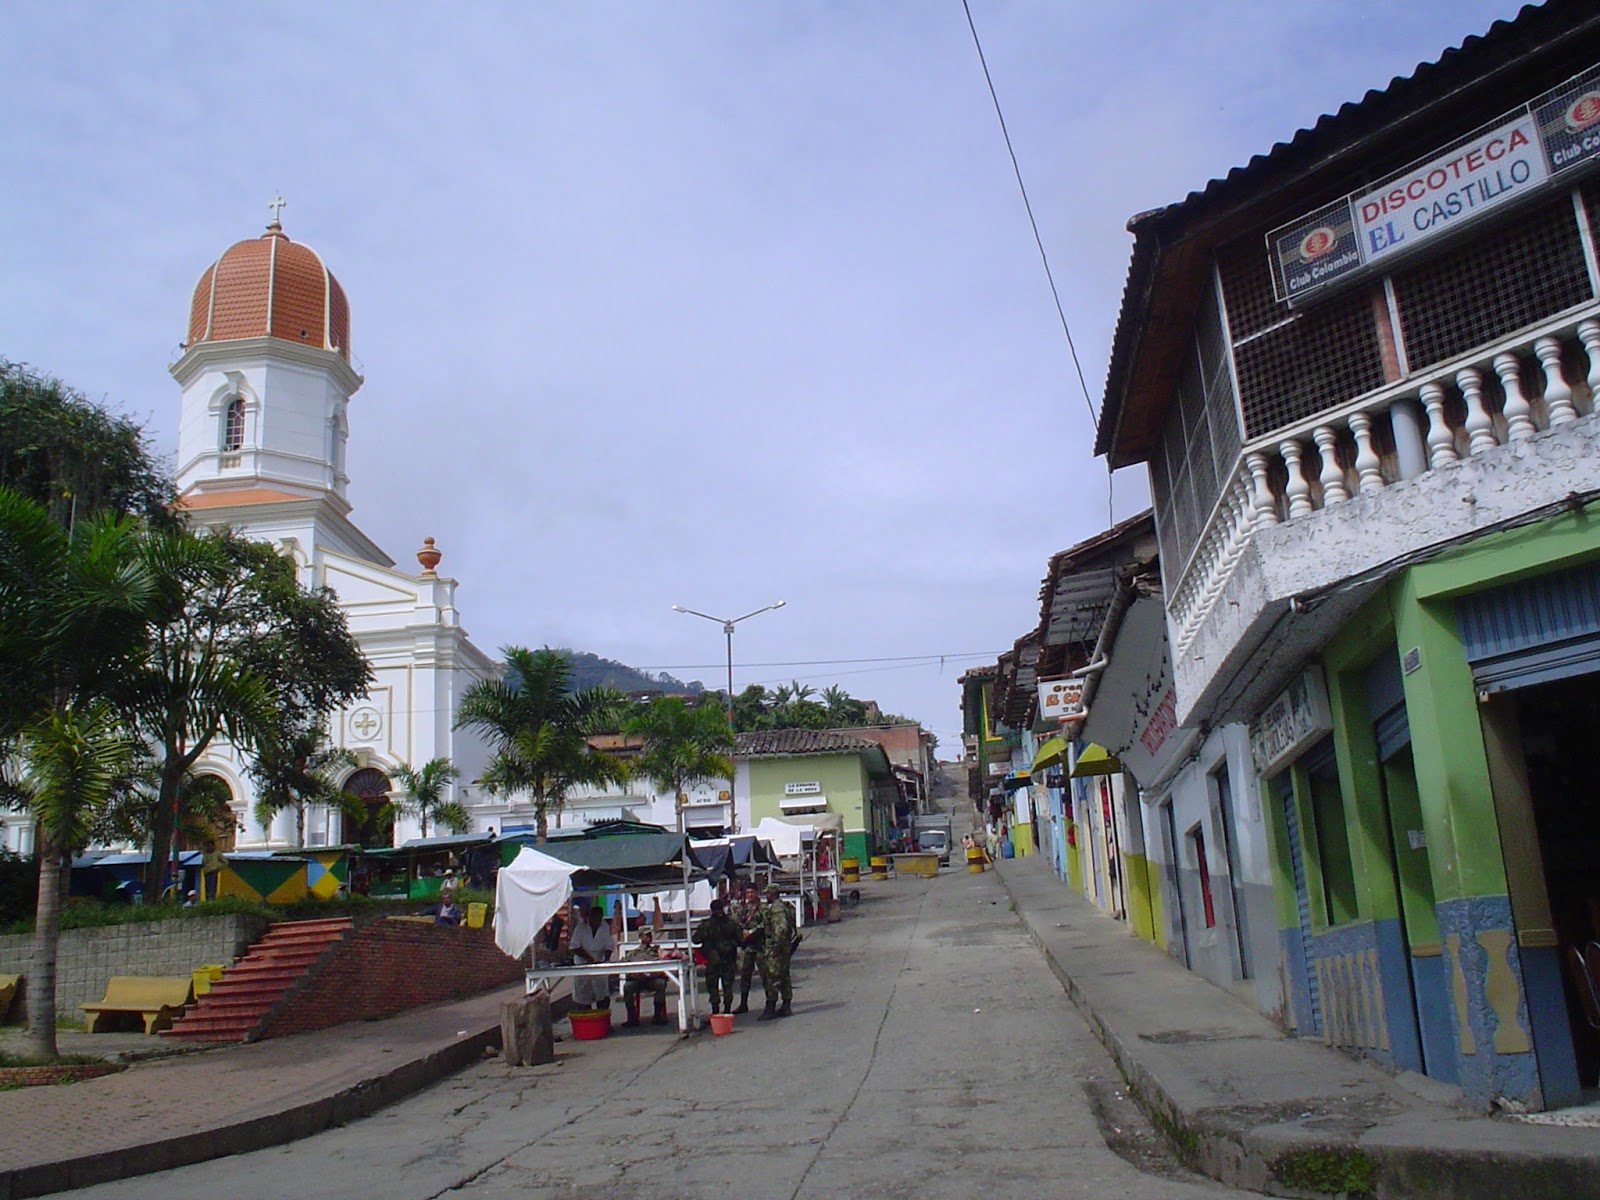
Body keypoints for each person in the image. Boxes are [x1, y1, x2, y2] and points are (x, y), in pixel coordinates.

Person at [693, 898, 741, 1015]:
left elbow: (695, 940)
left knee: (713, 987)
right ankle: (727, 1010)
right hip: (728, 959)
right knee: (727, 986)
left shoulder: (706, 925)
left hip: (713, 960)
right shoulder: (731, 923)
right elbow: (740, 940)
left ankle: (715, 1011)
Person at [756, 884, 796, 1021]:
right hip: (783, 948)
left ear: (771, 894)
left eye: (767, 894)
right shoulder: (782, 906)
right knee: (784, 975)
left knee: (772, 976)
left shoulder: (776, 909)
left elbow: (782, 928)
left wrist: (775, 947)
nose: (766, 896)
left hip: (778, 948)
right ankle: (786, 1005)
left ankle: (771, 1007)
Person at [567, 902, 615, 1010]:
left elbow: (609, 946)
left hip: (599, 963)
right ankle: (587, 1021)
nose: (597, 921)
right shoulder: (581, 928)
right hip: (582, 963)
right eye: (595, 918)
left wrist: (606, 959)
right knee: (582, 995)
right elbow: (574, 947)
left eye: (599, 918)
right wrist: (588, 958)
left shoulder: (604, 927)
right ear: (590, 917)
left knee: (602, 994)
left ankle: (604, 1020)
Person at [621, 926, 671, 1026]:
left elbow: (665, 966)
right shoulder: (632, 954)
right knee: (627, 987)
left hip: (653, 979)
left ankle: (658, 1015)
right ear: (641, 937)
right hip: (637, 980)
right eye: (646, 935)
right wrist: (635, 974)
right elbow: (625, 968)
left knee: (661, 984)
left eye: (650, 935)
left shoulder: (657, 951)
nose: (649, 937)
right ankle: (632, 1018)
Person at [731, 883, 765, 1014]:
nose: (750, 895)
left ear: (757, 893)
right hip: (747, 947)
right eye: (748, 893)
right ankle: (743, 1003)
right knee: (745, 976)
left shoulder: (763, 907)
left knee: (765, 975)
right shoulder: (744, 908)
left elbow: (765, 923)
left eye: (752, 892)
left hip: (760, 945)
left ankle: (770, 1002)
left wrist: (751, 931)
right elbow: (737, 922)